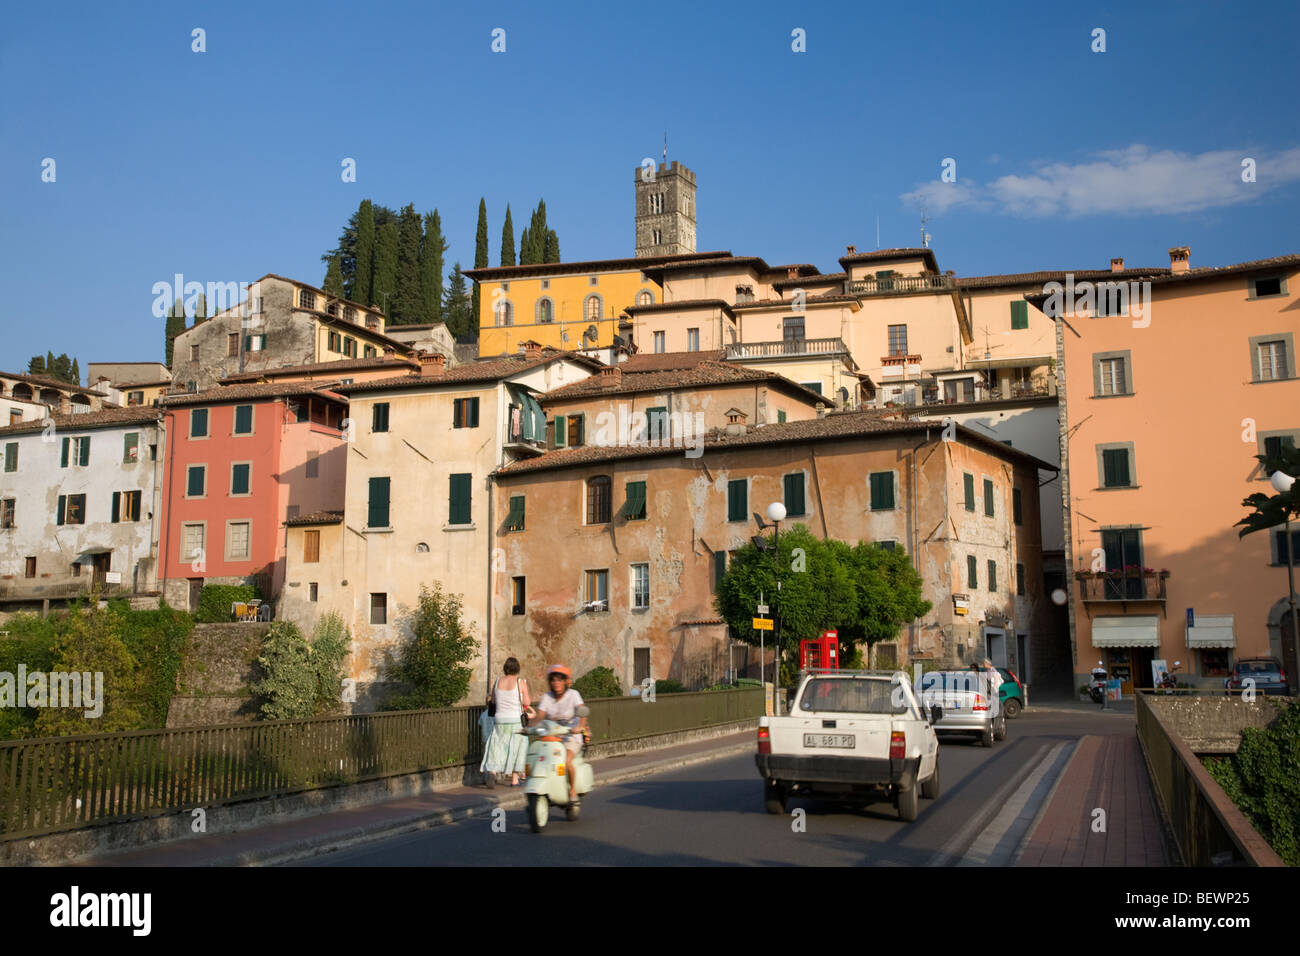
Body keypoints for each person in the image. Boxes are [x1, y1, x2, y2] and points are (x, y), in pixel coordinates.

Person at [531, 664, 588, 804]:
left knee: (566, 761)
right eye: (553, 680)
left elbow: (582, 711)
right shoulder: (547, 697)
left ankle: (572, 789)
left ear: (565, 682)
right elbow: (540, 716)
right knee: (540, 758)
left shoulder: (573, 695)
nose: (556, 683)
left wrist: (580, 726)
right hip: (553, 737)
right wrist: (528, 727)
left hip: (571, 736)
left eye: (559, 680)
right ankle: (550, 786)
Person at [481, 658, 534, 787]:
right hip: (515, 720)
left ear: (505, 668)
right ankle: (515, 780)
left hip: (499, 720)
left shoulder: (498, 681)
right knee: (517, 748)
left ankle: (493, 772)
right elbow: (527, 702)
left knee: (497, 747)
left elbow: (493, 701)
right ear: (517, 668)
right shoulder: (520, 682)